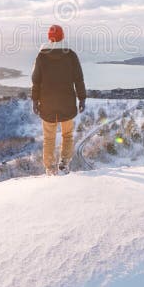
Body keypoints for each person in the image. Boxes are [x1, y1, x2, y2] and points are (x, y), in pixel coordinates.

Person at [31, 24, 87, 175]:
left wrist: (35, 101)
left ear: (49, 38)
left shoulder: (42, 56)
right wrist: (82, 98)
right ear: (63, 37)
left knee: (49, 138)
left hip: (47, 104)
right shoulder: (71, 55)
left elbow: (36, 81)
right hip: (67, 103)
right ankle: (64, 163)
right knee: (67, 135)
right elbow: (79, 79)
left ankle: (50, 168)